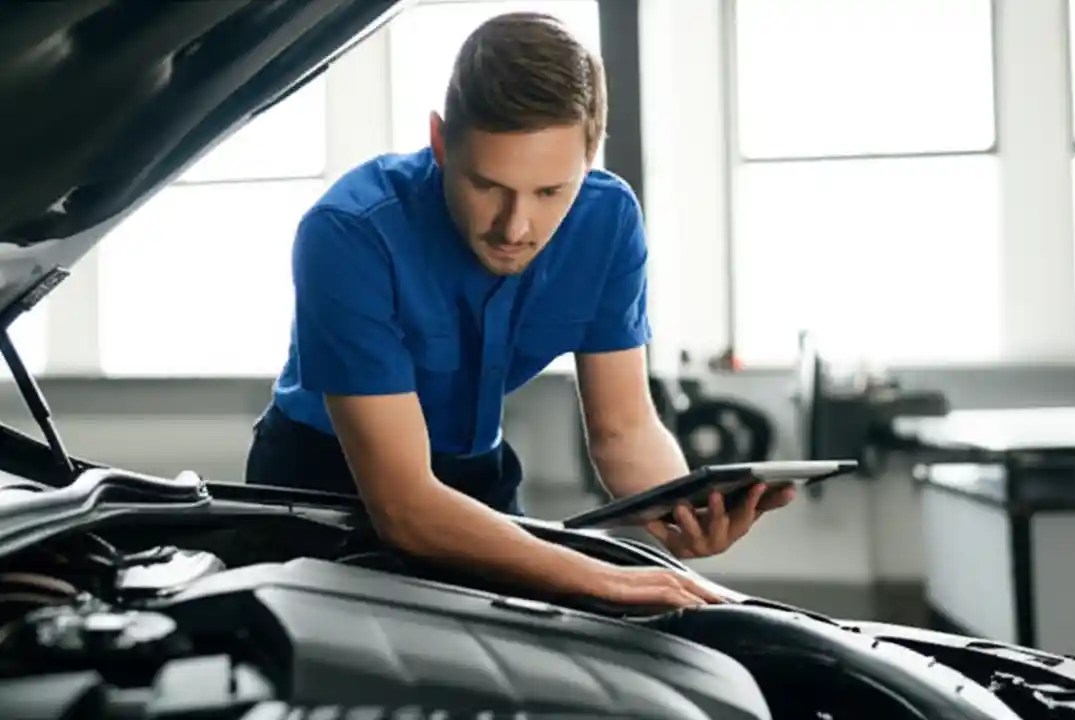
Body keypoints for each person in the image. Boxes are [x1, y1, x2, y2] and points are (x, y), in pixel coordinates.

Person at [244, 12, 795, 609]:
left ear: (589, 156)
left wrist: (681, 505)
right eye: (487, 186)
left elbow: (624, 430)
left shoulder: (608, 220)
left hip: (475, 476)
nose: (515, 227)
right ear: (440, 140)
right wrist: (604, 577)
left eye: (551, 191)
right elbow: (404, 508)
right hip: (323, 484)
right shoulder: (349, 232)